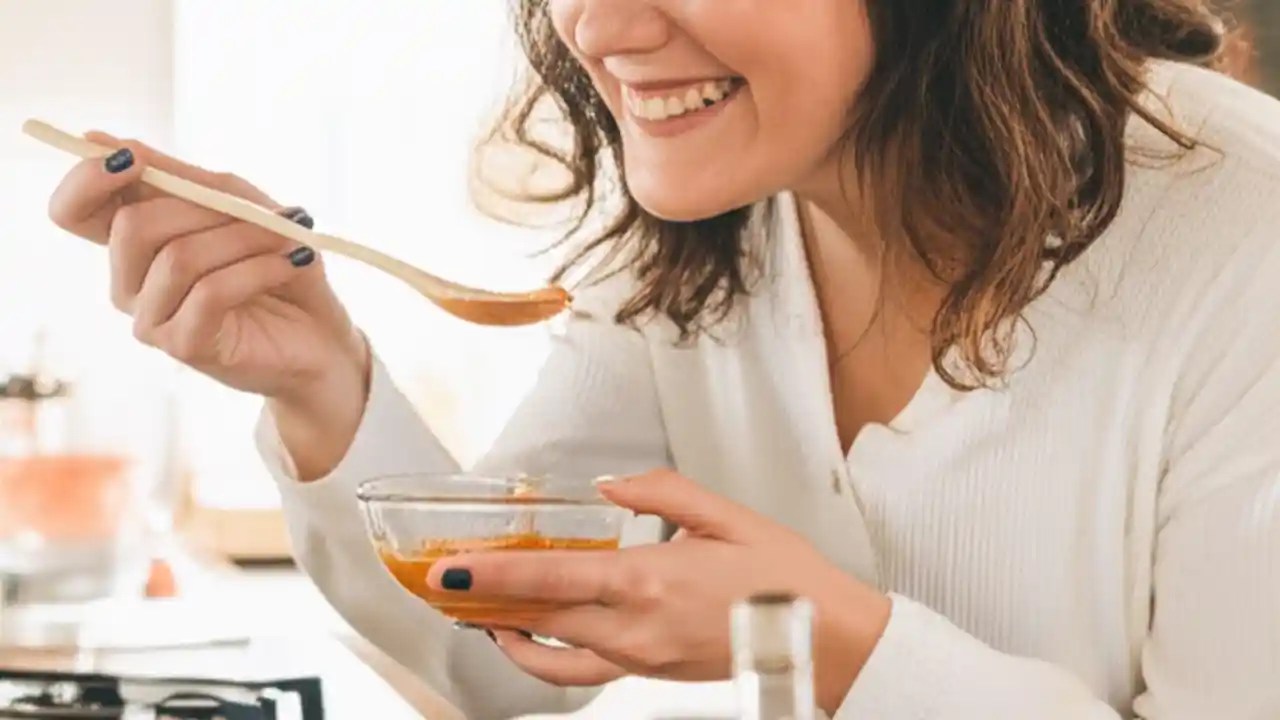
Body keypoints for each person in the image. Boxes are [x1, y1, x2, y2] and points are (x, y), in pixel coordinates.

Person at [44, 0, 1280, 718]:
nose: (600, 26)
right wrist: (315, 376)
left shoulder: (1243, 230)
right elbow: (501, 668)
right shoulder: (697, 241)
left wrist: (818, 634)